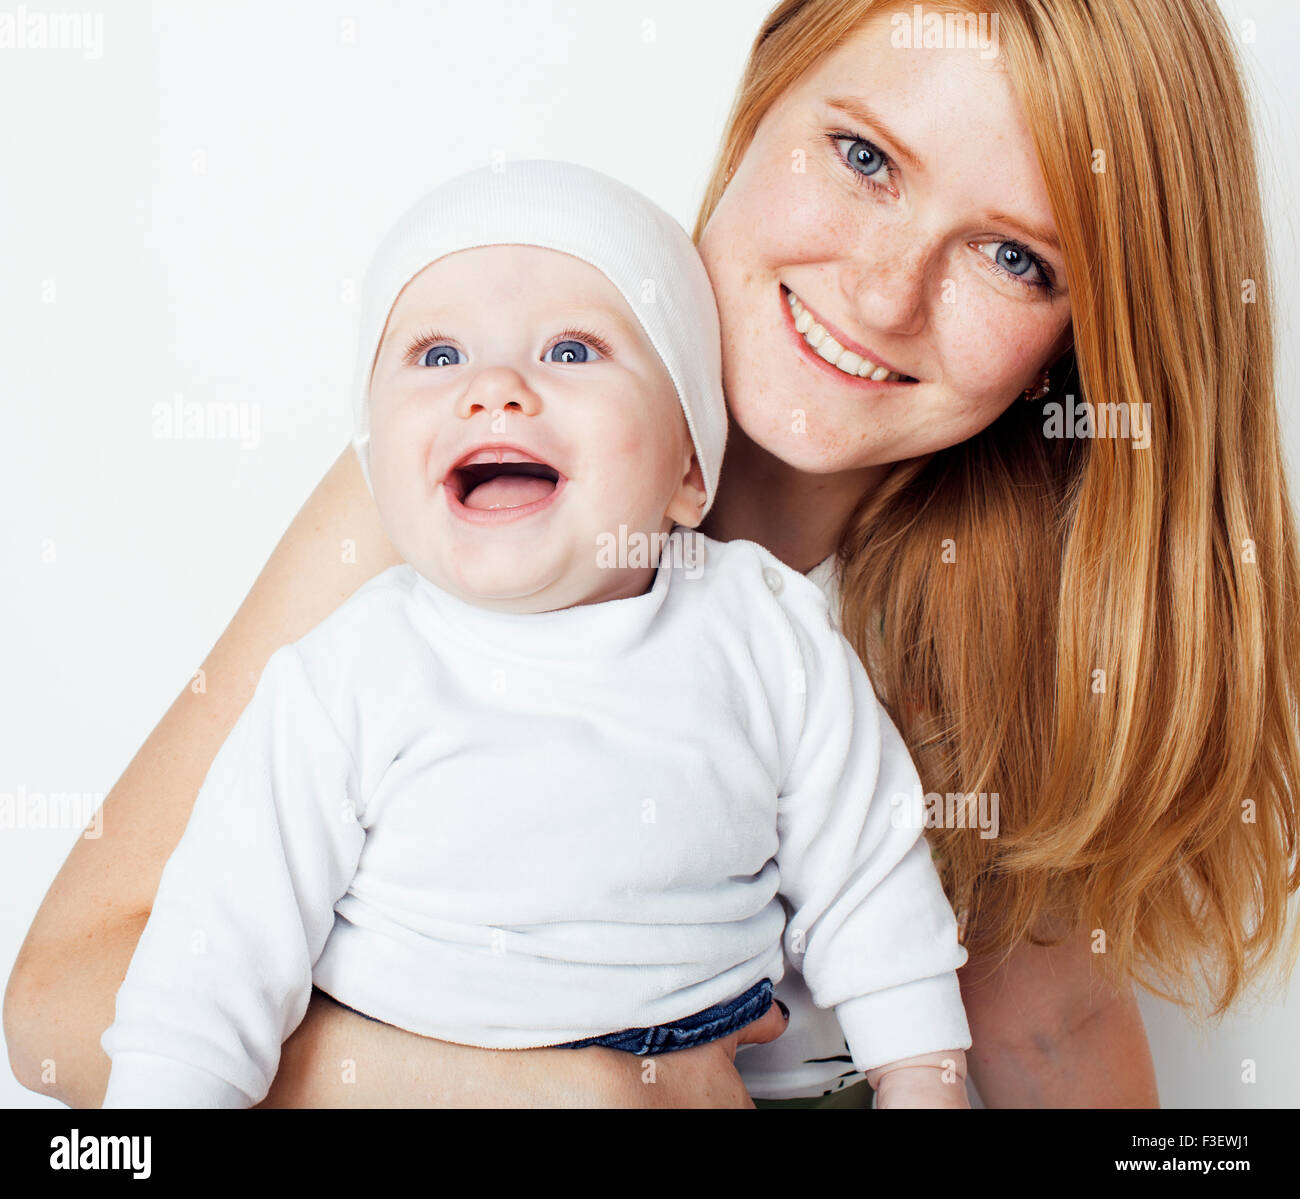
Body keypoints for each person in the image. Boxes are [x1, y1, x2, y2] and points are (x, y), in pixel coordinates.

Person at [8, 0, 1299, 1109]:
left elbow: (1045, 1026)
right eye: (862, 155)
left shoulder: (996, 603)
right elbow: (67, 999)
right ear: (758, 100)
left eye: (1015, 257)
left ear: (1079, 345)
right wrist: (553, 1086)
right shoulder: (470, 478)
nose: (886, 290)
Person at [98, 160, 970, 1108]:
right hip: (426, 1069)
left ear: (689, 465)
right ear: (381, 478)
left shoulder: (763, 632)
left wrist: (920, 1072)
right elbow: (219, 942)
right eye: (438, 358)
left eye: (570, 351)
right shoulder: (348, 674)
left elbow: (871, 872)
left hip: (710, 1073)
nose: (496, 388)